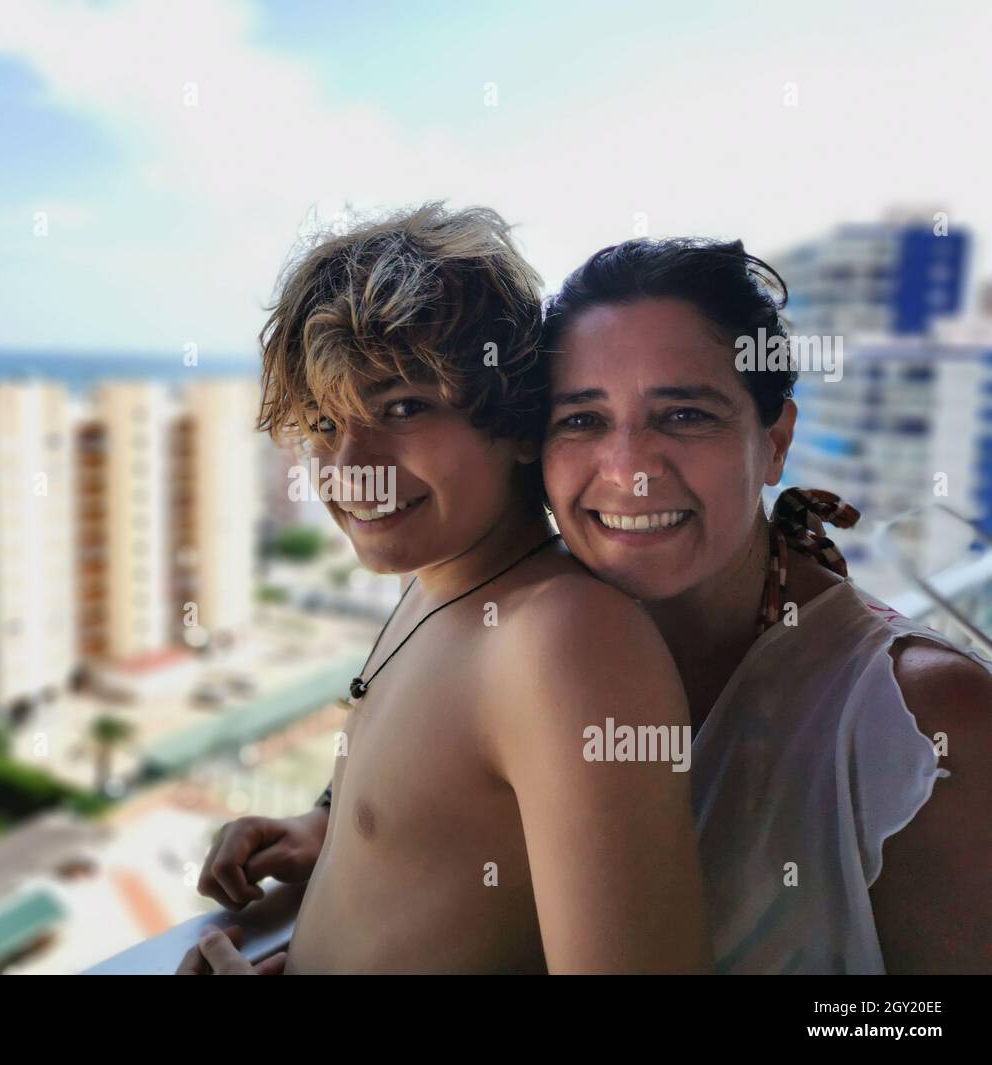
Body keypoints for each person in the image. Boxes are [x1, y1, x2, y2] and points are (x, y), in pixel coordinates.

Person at [193, 236, 992, 975]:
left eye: (684, 415)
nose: (629, 470)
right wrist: (335, 830)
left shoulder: (927, 717)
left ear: (776, 439)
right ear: (536, 434)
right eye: (582, 418)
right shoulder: (508, 610)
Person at [179, 205, 710, 974]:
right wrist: (330, 832)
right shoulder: (441, 582)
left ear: (519, 422)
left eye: (403, 408)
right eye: (325, 422)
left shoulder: (563, 641)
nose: (351, 464)